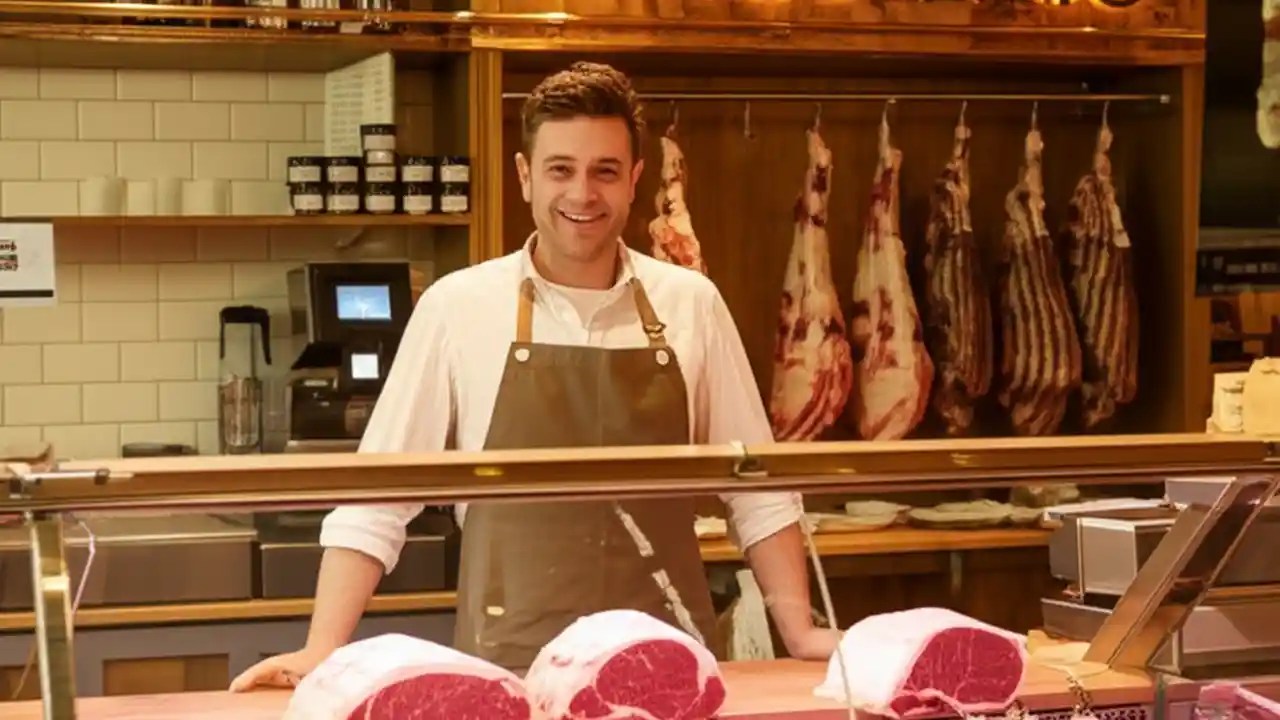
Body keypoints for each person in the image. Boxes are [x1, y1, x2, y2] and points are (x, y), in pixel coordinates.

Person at [230, 60, 837, 690]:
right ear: (525, 177)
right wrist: (320, 647)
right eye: (560, 170)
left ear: (634, 181)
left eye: (604, 171)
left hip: (667, 668)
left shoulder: (692, 303)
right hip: (509, 670)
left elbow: (758, 487)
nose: (582, 194)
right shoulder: (457, 306)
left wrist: (799, 630)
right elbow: (377, 498)